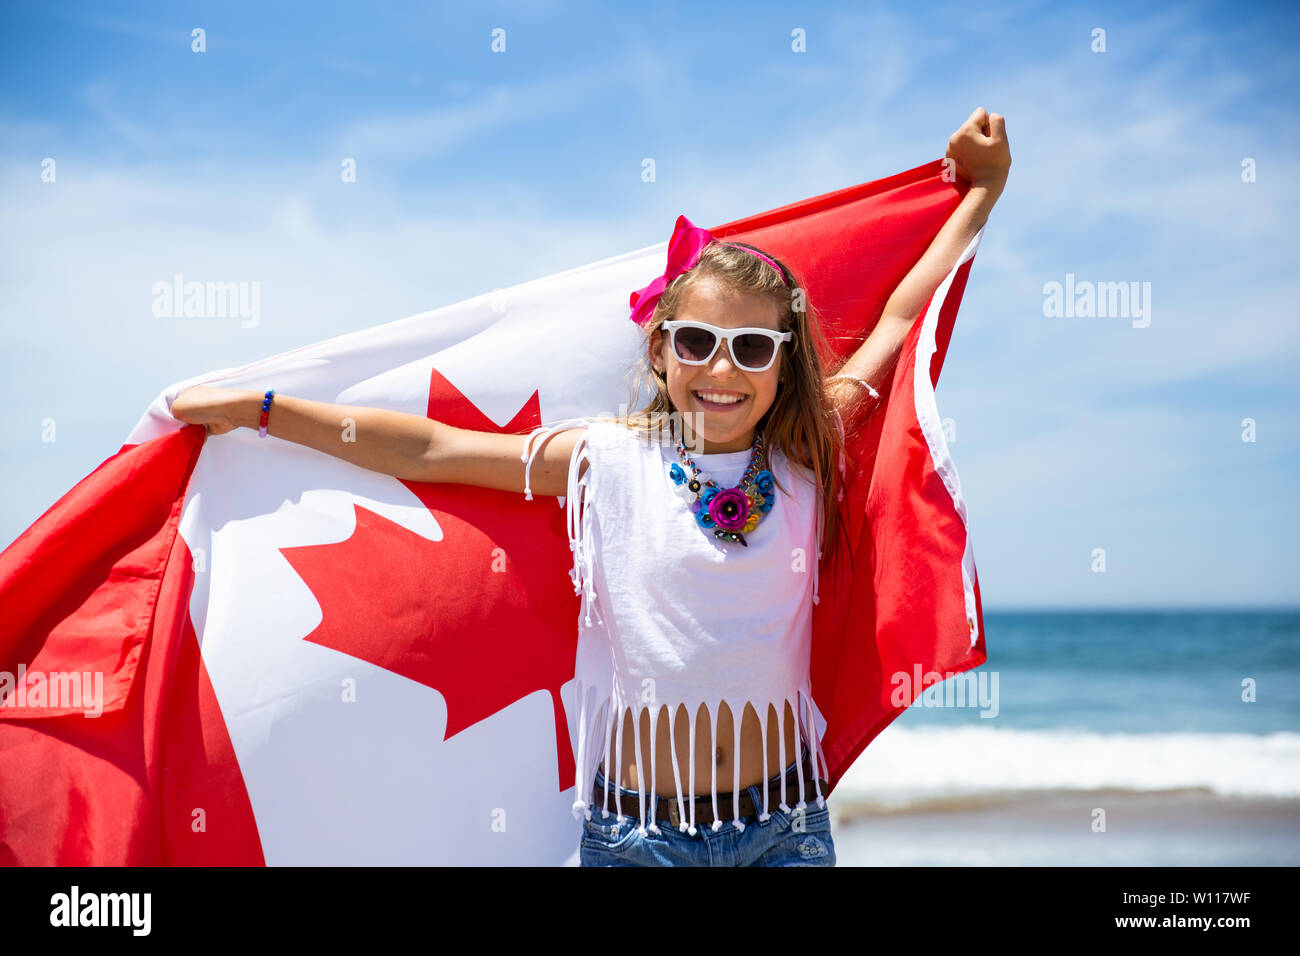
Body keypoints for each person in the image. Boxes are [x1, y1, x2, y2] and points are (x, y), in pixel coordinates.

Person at [171, 107, 1010, 867]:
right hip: (639, 834)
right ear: (659, 350)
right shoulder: (606, 460)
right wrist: (263, 408)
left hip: (784, 826)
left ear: (782, 365)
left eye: (752, 351)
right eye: (697, 343)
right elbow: (429, 447)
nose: (723, 370)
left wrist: (979, 195)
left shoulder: (805, 454)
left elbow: (898, 321)